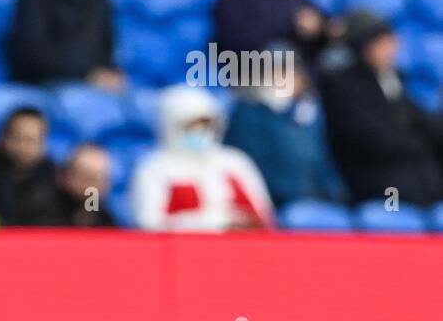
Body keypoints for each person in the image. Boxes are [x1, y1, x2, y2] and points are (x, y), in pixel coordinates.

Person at [319, 12, 443, 206]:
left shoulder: (393, 80)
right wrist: (419, 143)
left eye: (391, 42)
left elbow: (421, 121)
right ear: (365, 48)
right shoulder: (343, 86)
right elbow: (370, 138)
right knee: (400, 202)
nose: (390, 49)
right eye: (382, 44)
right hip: (378, 181)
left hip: (413, 173)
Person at [130, 85, 273, 231]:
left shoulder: (235, 162)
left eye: (206, 126)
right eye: (191, 126)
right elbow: (149, 223)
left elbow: (263, 214)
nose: (200, 133)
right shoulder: (154, 167)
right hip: (182, 250)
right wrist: (210, 222)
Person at [222, 45, 347, 207]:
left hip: (316, 200)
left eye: (291, 72)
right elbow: (252, 166)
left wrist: (336, 195)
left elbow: (324, 163)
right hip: (277, 202)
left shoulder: (307, 114)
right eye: (277, 72)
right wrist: (288, 195)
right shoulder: (248, 113)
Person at [0, 106, 59, 224]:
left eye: (31, 140)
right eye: (18, 138)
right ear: (2, 137)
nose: (23, 147)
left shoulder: (54, 177)